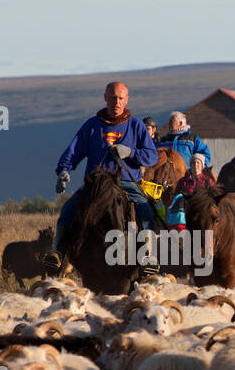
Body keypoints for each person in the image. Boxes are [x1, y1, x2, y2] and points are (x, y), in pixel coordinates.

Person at [41, 81, 158, 276]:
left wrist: (130, 152)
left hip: (125, 183)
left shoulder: (136, 125)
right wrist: (64, 170)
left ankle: (148, 256)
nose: (117, 102)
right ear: (105, 98)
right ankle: (58, 252)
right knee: (68, 209)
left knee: (145, 210)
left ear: (126, 99)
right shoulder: (92, 125)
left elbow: (151, 156)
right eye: (113, 98)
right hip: (94, 184)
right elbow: (73, 151)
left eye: (121, 98)